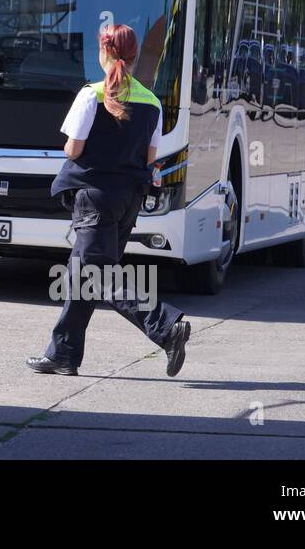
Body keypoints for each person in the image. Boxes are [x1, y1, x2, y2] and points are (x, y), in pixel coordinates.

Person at [26, 23, 191, 377]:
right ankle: (63, 354)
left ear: (104, 53)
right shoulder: (152, 101)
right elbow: (149, 158)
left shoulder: (91, 94)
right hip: (128, 198)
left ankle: (166, 326)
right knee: (80, 274)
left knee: (98, 276)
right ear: (132, 56)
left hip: (94, 198)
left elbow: (73, 148)